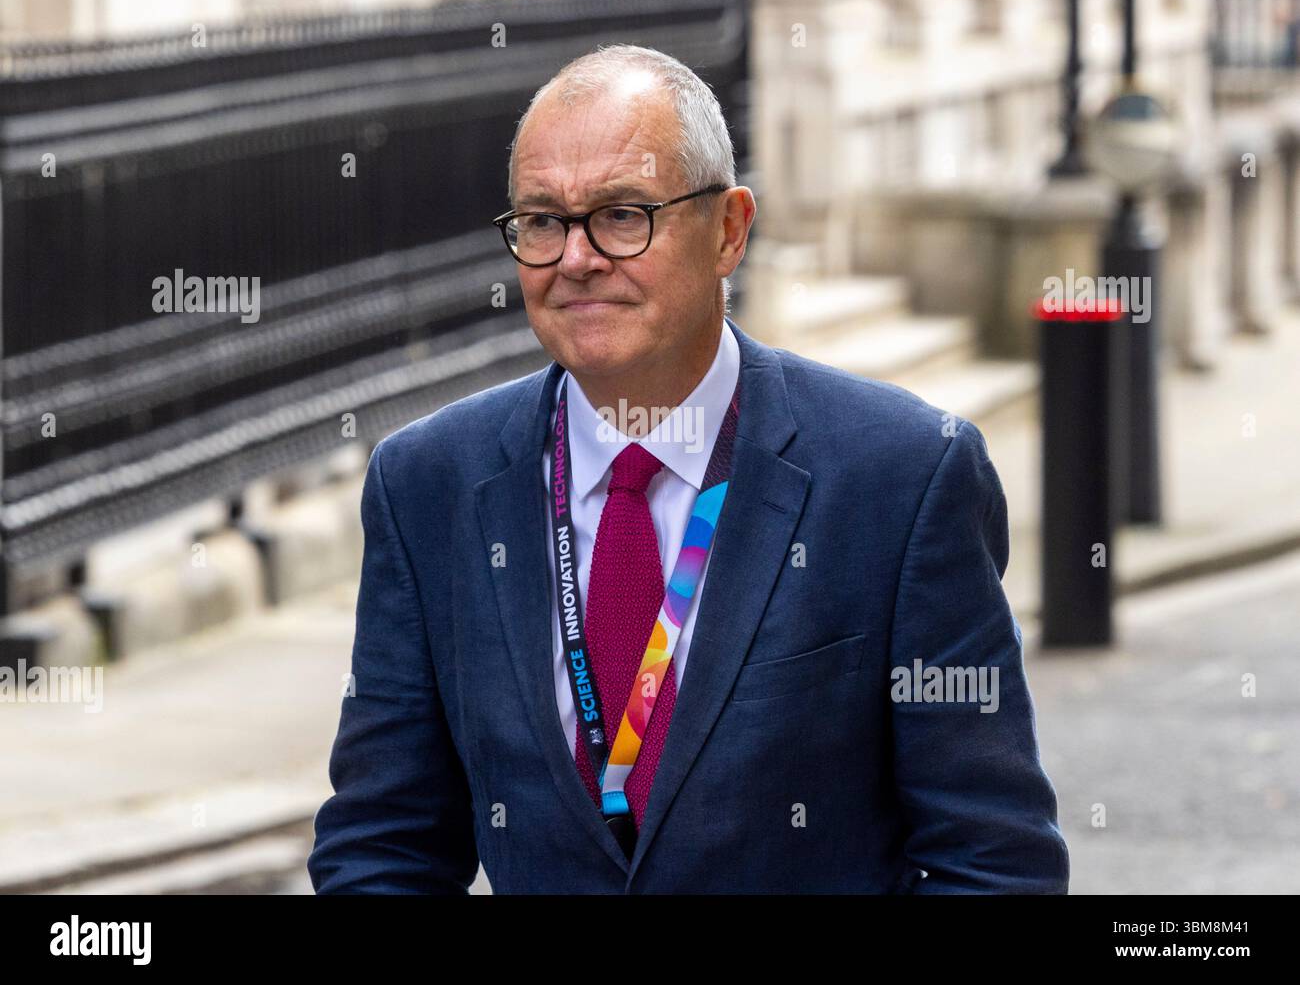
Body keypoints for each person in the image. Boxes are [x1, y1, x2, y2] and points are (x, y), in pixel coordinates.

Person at [307, 44, 1069, 894]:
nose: (577, 258)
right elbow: (383, 845)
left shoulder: (902, 476)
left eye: (622, 214)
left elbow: (993, 862)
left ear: (729, 231)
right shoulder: (427, 485)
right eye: (543, 221)